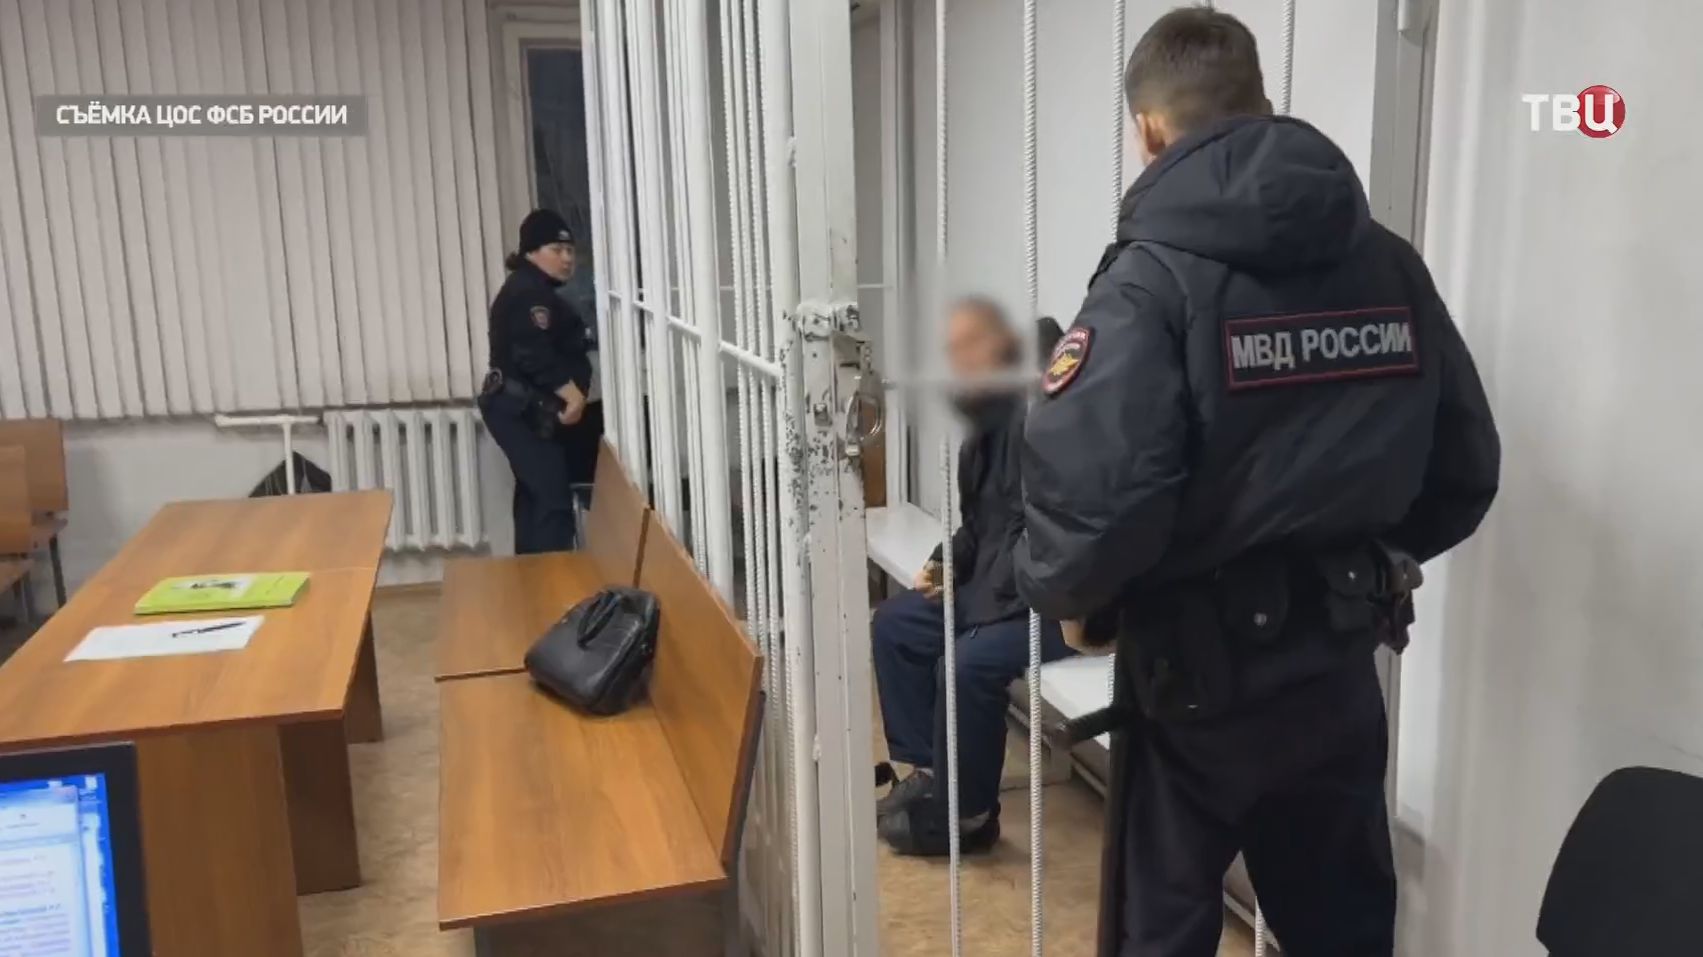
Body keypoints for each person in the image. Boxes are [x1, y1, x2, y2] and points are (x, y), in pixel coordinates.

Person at [1014, 8, 1499, 957]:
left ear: (1148, 130)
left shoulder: (1149, 284)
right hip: (1338, 668)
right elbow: (1465, 466)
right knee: (1342, 932)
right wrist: (1364, 558)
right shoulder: (1387, 263)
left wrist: (1075, 603)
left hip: (1193, 687)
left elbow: (1094, 510)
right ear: (1261, 103)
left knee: (1160, 935)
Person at [871, 297, 1076, 857]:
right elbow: (982, 526)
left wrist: (979, 608)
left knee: (965, 664)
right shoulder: (990, 431)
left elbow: (1055, 546)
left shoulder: (1055, 429)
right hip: (1001, 592)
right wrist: (947, 561)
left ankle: (970, 815)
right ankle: (931, 774)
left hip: (1064, 606)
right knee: (896, 625)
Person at [480, 209, 597, 554]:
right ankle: (551, 579)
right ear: (531, 252)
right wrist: (573, 396)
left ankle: (531, 575)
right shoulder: (530, 294)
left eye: (570, 251)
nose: (567, 258)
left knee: (535, 496)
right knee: (553, 501)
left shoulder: (535, 290)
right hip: (520, 409)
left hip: (523, 408)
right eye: (556, 250)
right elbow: (532, 354)